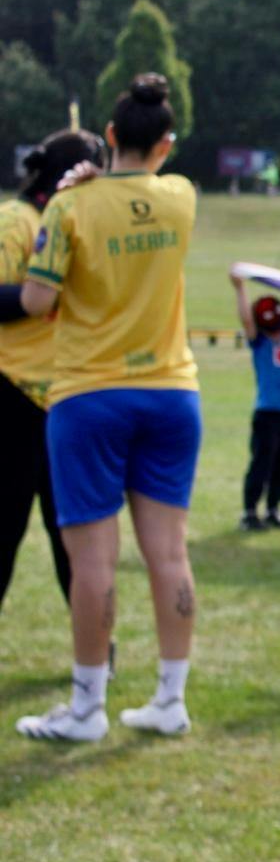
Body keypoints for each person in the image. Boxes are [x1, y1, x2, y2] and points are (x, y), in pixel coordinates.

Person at [13, 74, 201, 740]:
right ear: (166, 144)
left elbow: (36, 303)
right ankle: (170, 699)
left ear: (111, 135)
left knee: (92, 560)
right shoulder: (181, 196)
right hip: (173, 392)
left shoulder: (69, 208)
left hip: (89, 393)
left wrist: (74, 195)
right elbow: (150, 201)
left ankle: (88, 708)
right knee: (168, 554)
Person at [0, 130, 106, 614]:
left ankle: (97, 658)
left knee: (75, 538)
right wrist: (35, 296)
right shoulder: (15, 221)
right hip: (14, 394)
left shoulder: (77, 226)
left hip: (69, 397)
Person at [231, 276, 280, 532]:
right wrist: (240, 288)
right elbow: (246, 321)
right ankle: (250, 513)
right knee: (261, 465)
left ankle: (273, 509)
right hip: (267, 415)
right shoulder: (260, 343)